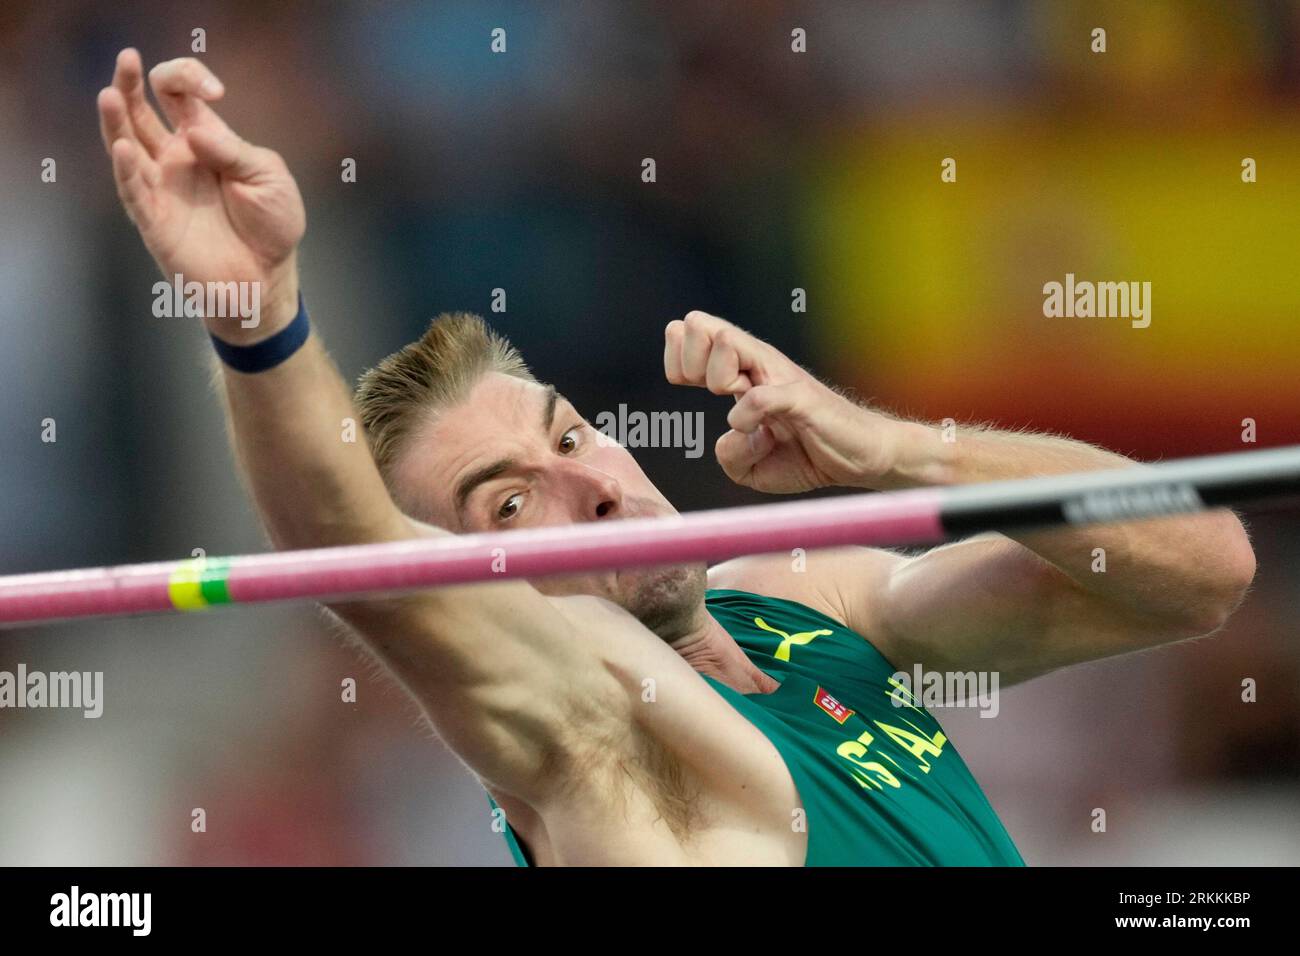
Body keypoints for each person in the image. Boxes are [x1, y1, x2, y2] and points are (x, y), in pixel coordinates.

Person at [96, 49, 1257, 866]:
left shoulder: (806, 601)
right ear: (456, 584)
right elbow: (338, 538)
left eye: (568, 437)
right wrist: (256, 318)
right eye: (509, 505)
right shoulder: (579, 719)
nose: (595, 483)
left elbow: (1199, 565)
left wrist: (894, 449)